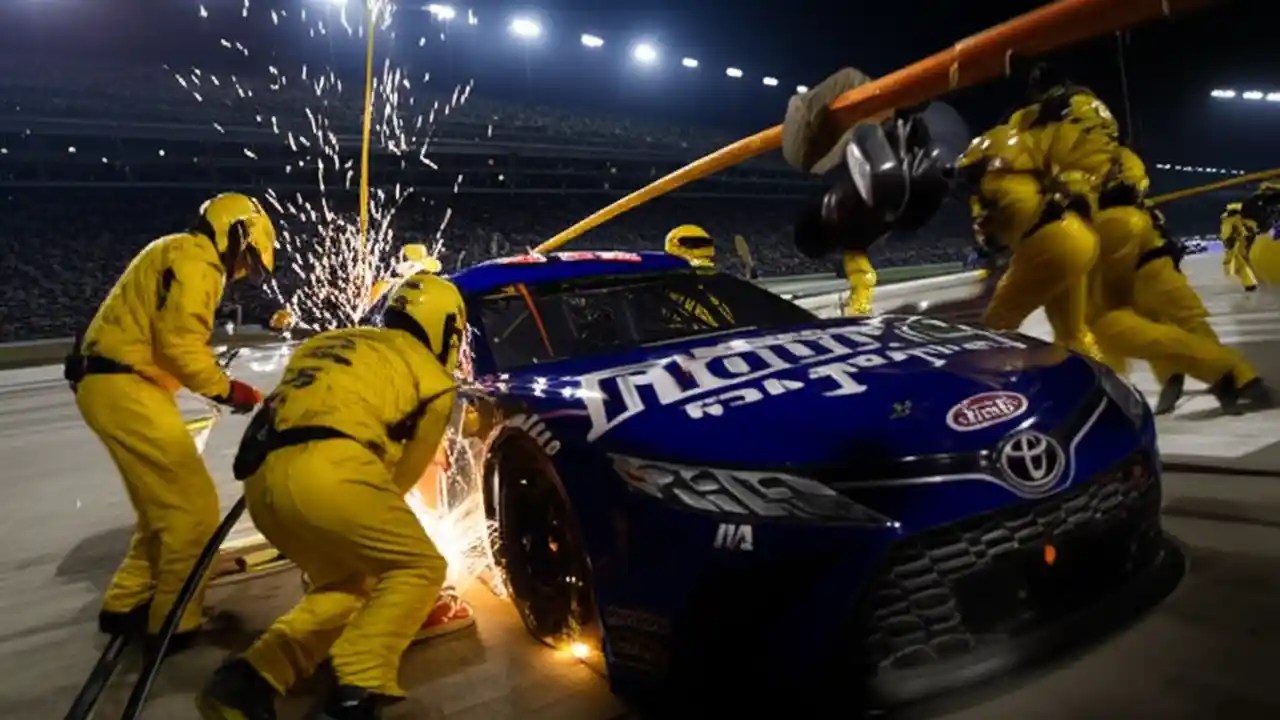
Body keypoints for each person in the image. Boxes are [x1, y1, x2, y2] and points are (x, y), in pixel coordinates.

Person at [197, 271, 474, 720]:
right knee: (419, 567)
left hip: (263, 483)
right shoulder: (435, 382)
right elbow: (398, 481)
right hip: (331, 477)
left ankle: (247, 681)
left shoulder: (327, 343)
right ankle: (356, 691)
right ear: (445, 328)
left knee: (351, 586)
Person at [66, 192, 273, 651]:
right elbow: (179, 346)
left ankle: (126, 602)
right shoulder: (199, 262)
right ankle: (174, 621)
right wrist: (231, 390)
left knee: (161, 510)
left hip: (113, 384)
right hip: (126, 387)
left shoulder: (174, 250)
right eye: (248, 256)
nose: (243, 269)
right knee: (193, 511)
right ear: (236, 232)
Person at [1090, 152, 1271, 414]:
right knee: (1169, 330)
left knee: (1164, 331)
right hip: (1149, 270)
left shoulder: (1112, 209)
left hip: (1145, 269)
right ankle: (1230, 377)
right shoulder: (1129, 204)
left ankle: (1231, 377)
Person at [1219, 202, 1259, 292]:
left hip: (1236, 244)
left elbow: (1226, 233)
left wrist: (1228, 241)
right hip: (1243, 243)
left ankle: (1250, 284)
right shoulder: (1242, 219)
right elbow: (1250, 231)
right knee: (1244, 262)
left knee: (1239, 265)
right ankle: (1253, 281)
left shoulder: (1229, 219)